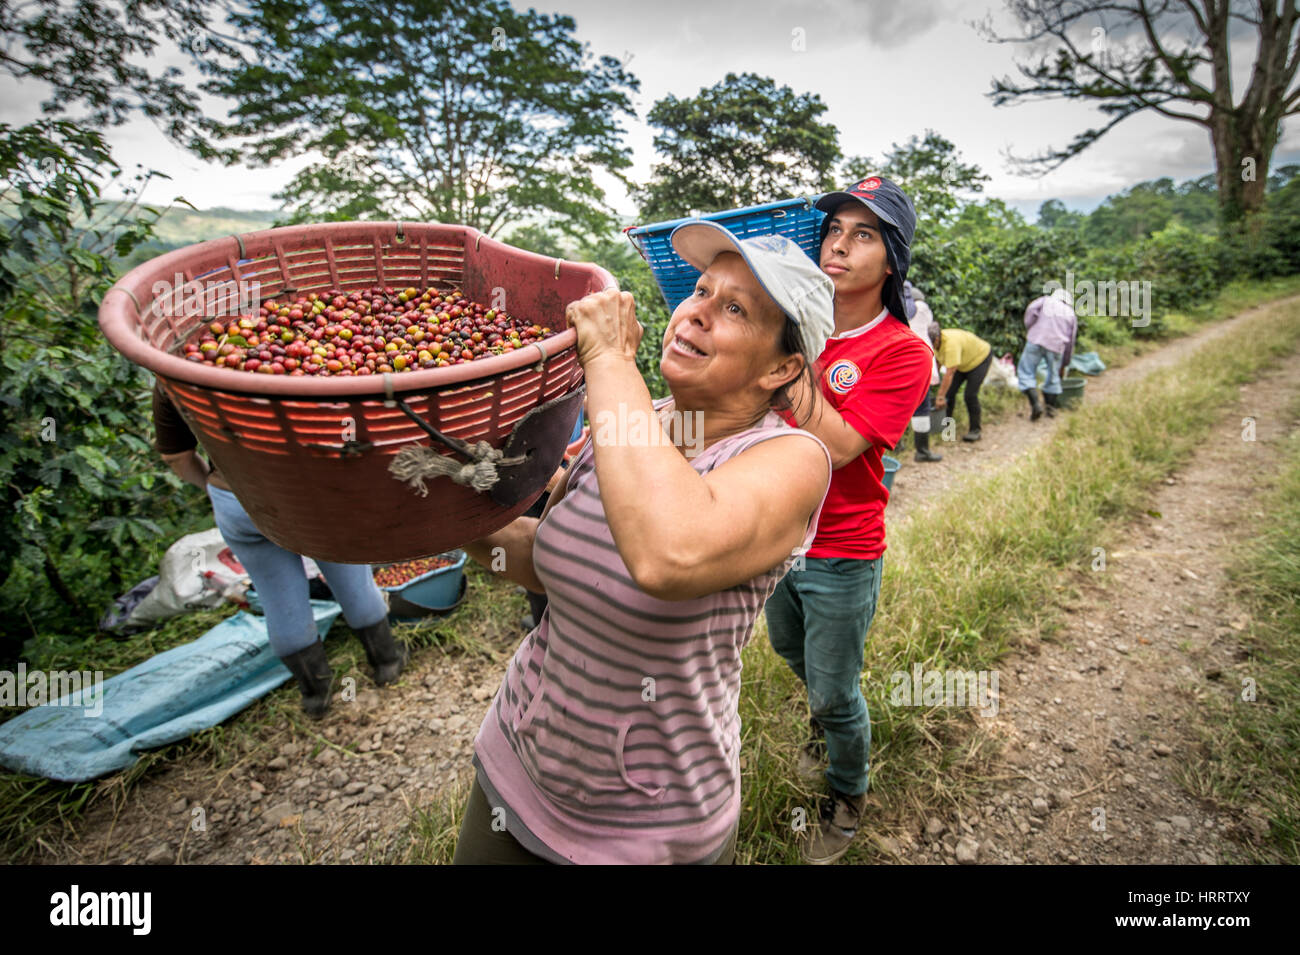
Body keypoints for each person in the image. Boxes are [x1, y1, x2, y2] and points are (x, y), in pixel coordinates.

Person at [451, 225, 835, 865]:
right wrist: (434, 503)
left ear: (781, 367)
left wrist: (608, 361)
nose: (697, 312)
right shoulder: (638, 421)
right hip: (515, 765)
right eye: (702, 291)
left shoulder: (791, 460)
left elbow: (667, 555)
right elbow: (548, 562)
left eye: (734, 309)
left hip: (647, 823)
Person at [768, 175, 934, 864]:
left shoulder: (902, 352)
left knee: (837, 688)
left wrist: (786, 365)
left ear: (891, 258)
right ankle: (827, 724)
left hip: (842, 548)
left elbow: (838, 446)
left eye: (862, 234)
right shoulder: (797, 324)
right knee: (787, 650)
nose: (839, 244)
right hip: (777, 536)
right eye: (834, 230)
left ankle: (848, 792)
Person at [152, 384, 407, 717]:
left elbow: (177, 457)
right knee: (351, 578)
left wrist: (221, 491)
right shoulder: (304, 355)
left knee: (276, 596)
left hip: (239, 498)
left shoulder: (176, 374)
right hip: (312, 491)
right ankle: (386, 662)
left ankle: (316, 696)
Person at [1018, 287, 1078, 420]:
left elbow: (1030, 311)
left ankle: (1035, 405)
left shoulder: (1045, 300)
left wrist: (1031, 328)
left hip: (1036, 340)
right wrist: (1065, 362)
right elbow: (1071, 340)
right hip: (1056, 346)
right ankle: (1050, 409)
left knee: (1026, 371)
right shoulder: (1070, 313)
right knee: (1053, 376)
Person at [931, 322, 992, 442]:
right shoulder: (936, 342)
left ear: (937, 339)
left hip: (979, 359)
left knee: (970, 395)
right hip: (961, 362)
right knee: (949, 395)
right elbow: (937, 363)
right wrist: (933, 382)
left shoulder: (951, 345)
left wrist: (940, 395)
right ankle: (948, 430)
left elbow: (950, 373)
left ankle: (975, 431)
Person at [902, 280, 942, 462]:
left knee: (896, 404)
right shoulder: (922, 307)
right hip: (919, 359)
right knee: (922, 405)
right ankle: (922, 451)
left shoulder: (891, 306)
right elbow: (929, 325)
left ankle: (897, 446)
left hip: (898, 359)